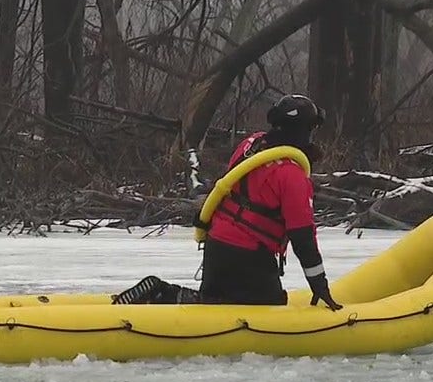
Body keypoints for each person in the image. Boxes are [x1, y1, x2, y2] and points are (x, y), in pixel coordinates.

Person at [113, 94, 342, 311]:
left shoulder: (251, 145)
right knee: (271, 309)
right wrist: (319, 285)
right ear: (306, 130)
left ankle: (166, 295)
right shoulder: (292, 175)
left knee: (213, 305)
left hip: (217, 244)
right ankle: (164, 294)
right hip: (249, 256)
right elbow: (303, 238)